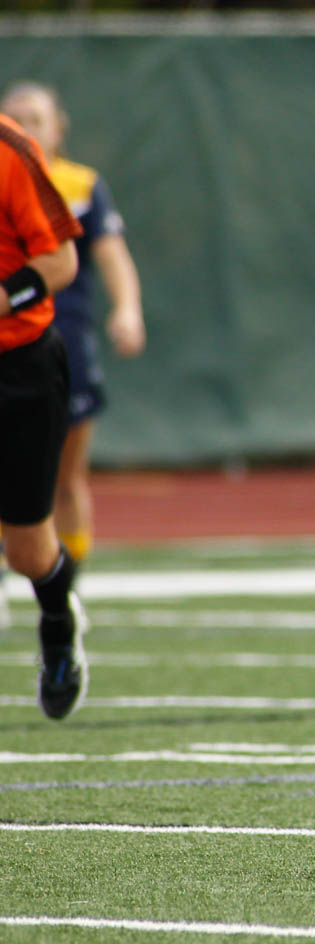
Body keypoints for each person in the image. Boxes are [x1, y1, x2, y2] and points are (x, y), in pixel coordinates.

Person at [2, 82, 146, 576]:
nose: (27, 128)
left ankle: (67, 587)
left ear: (59, 127)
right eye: (16, 117)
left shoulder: (80, 185)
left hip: (59, 343)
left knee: (62, 476)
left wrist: (127, 308)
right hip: (9, 342)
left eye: (37, 118)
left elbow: (106, 253)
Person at [0, 109, 87, 719]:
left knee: (27, 550)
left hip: (19, 366)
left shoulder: (10, 150)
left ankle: (58, 624)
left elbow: (61, 263)